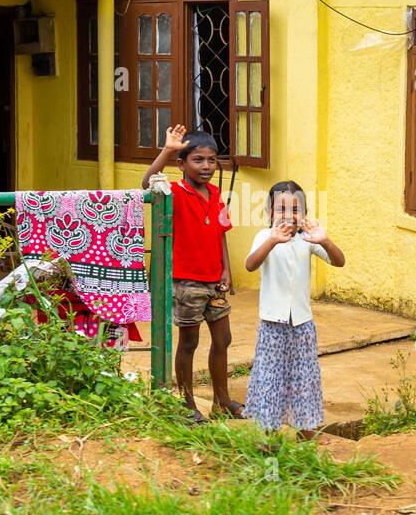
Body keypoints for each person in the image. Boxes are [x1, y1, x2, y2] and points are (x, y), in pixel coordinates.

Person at [142, 124, 243, 423]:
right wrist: (167, 149)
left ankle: (221, 400)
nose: (207, 166)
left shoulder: (214, 193)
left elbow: (221, 232)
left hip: (215, 281)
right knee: (188, 342)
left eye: (212, 160)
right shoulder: (172, 191)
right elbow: (147, 182)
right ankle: (187, 404)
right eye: (198, 160)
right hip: (186, 282)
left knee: (223, 339)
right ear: (181, 164)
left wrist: (226, 269)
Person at [243, 180, 345, 441]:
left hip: (302, 324)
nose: (288, 215)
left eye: (295, 209)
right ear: (270, 212)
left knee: (304, 378)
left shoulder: (308, 240)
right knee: (270, 378)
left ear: (305, 213)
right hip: (271, 324)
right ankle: (267, 436)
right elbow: (250, 265)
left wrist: (326, 239)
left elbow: (339, 261)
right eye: (281, 209)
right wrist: (273, 241)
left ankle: (306, 433)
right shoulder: (263, 237)